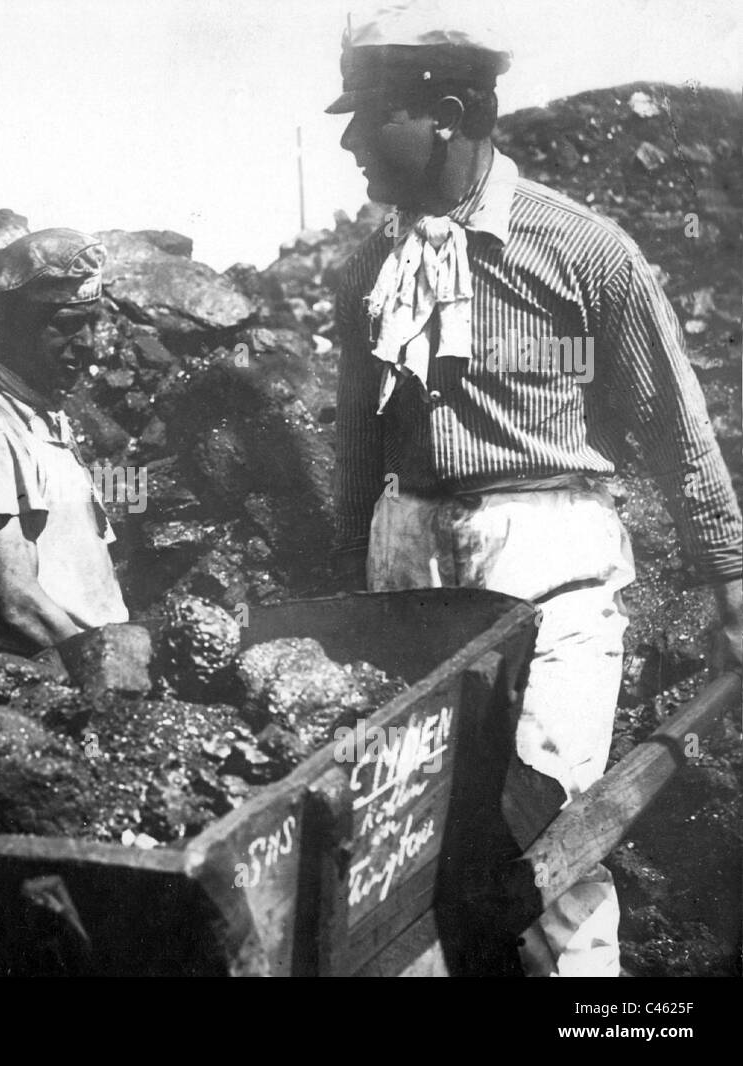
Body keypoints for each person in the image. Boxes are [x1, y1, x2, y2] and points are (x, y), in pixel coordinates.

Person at [326, 4, 742, 976]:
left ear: (451, 110)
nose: (348, 139)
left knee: (547, 826)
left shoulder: (582, 250)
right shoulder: (370, 273)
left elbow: (673, 423)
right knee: (410, 833)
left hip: (544, 555)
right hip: (410, 557)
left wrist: (729, 576)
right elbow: (354, 450)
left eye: (371, 112)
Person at [0, 228, 128, 659]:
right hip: (54, 672)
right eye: (65, 327)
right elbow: (19, 600)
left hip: (90, 656)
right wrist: (102, 672)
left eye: (90, 325)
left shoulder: (39, 416)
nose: (87, 345)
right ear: (12, 330)